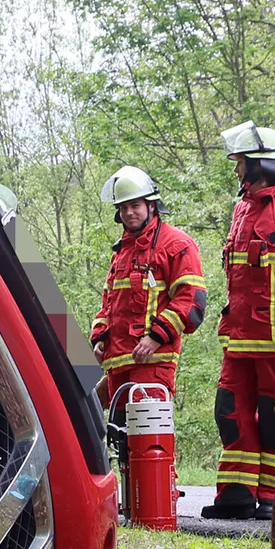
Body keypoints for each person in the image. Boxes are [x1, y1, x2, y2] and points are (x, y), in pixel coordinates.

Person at [208, 122, 275, 520]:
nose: (236, 171)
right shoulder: (242, 210)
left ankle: (273, 499)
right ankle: (236, 494)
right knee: (229, 413)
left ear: (259, 165)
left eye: (241, 163)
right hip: (240, 342)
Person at [91, 167, 207, 443]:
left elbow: (192, 299)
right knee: (121, 444)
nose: (130, 213)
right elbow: (108, 302)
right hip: (118, 364)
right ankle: (131, 489)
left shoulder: (176, 244)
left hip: (153, 362)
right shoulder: (122, 251)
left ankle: (164, 488)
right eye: (124, 208)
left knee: (150, 443)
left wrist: (156, 337)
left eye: (135, 205)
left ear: (151, 205)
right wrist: (99, 337)